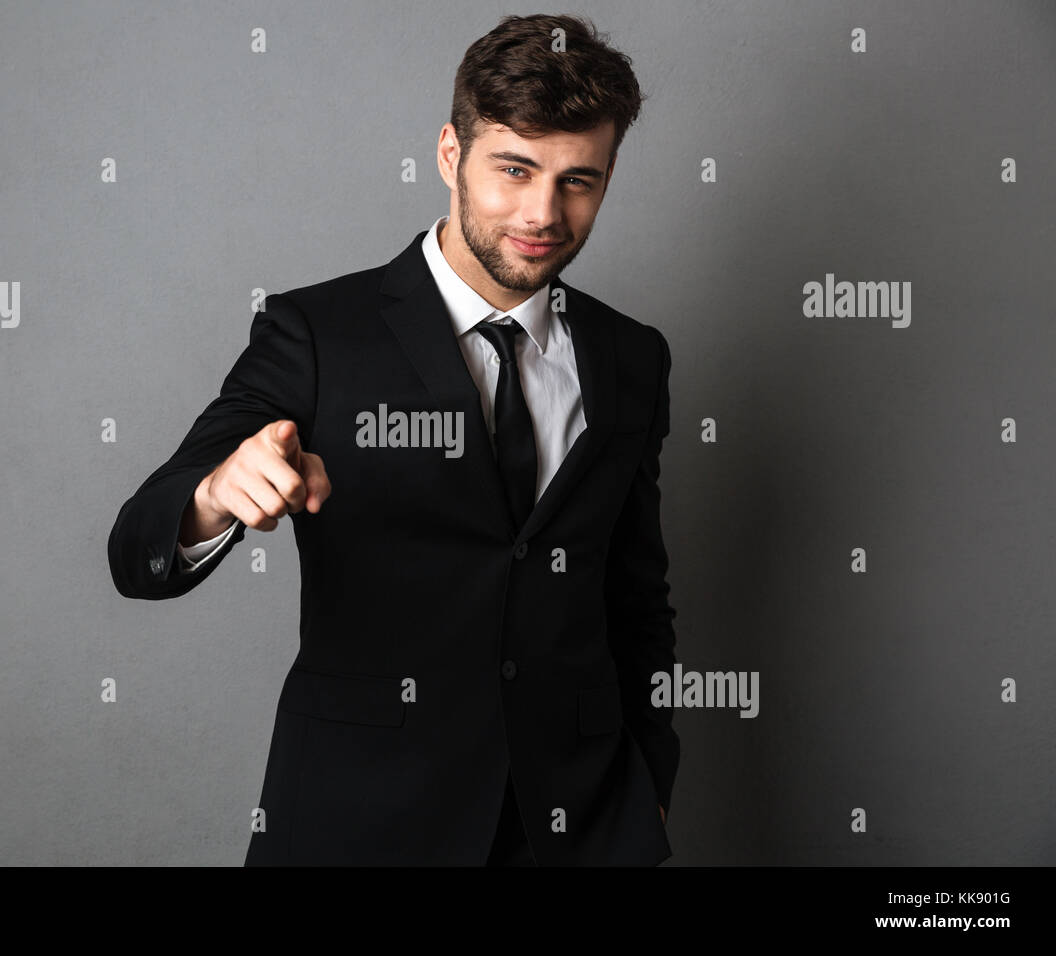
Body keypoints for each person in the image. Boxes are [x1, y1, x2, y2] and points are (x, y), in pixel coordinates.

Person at [107, 13, 679, 866]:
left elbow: (635, 604)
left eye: (579, 180)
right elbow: (135, 551)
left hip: (581, 829)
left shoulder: (631, 356)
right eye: (514, 169)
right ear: (450, 155)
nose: (542, 212)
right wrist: (216, 492)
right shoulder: (316, 332)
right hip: (365, 823)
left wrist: (647, 792)